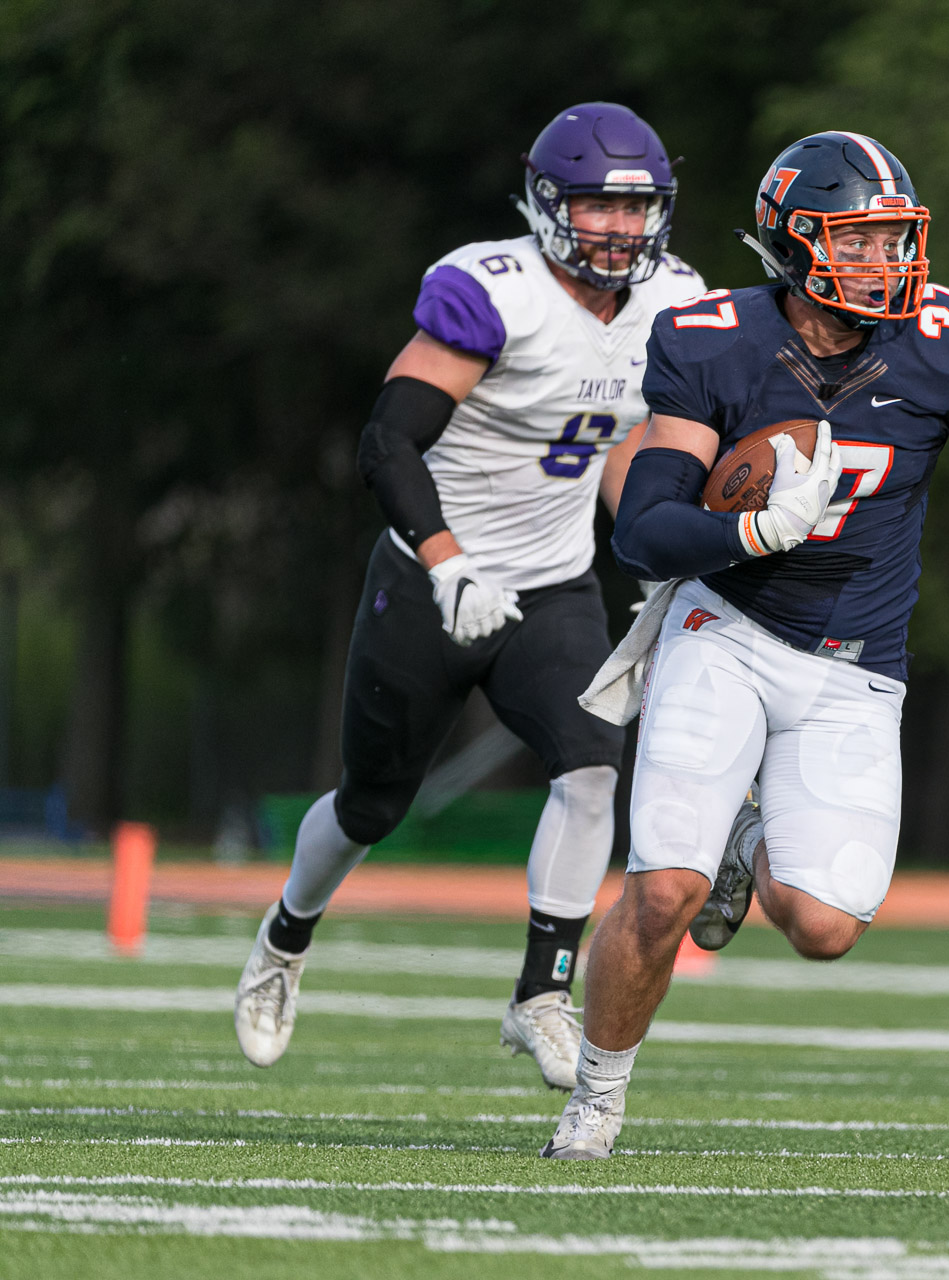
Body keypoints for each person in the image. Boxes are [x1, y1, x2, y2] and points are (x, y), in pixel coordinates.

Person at [540, 131, 949, 1159]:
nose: (890, 263)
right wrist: (747, 531)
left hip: (857, 666)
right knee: (662, 884)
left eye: (897, 239)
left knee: (825, 927)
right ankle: (597, 1096)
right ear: (795, 247)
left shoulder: (947, 341)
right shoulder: (717, 341)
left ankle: (745, 847)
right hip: (728, 629)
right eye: (864, 241)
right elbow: (645, 522)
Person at [234, 103, 707, 1090]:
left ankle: (541, 992)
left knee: (591, 766)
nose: (618, 229)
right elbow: (388, 440)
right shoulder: (493, 290)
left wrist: (660, 546)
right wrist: (447, 564)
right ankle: (285, 938)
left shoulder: (674, 297)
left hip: (552, 583)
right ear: (547, 203)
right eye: (594, 206)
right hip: (430, 577)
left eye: (635, 209)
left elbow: (619, 435)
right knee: (372, 803)